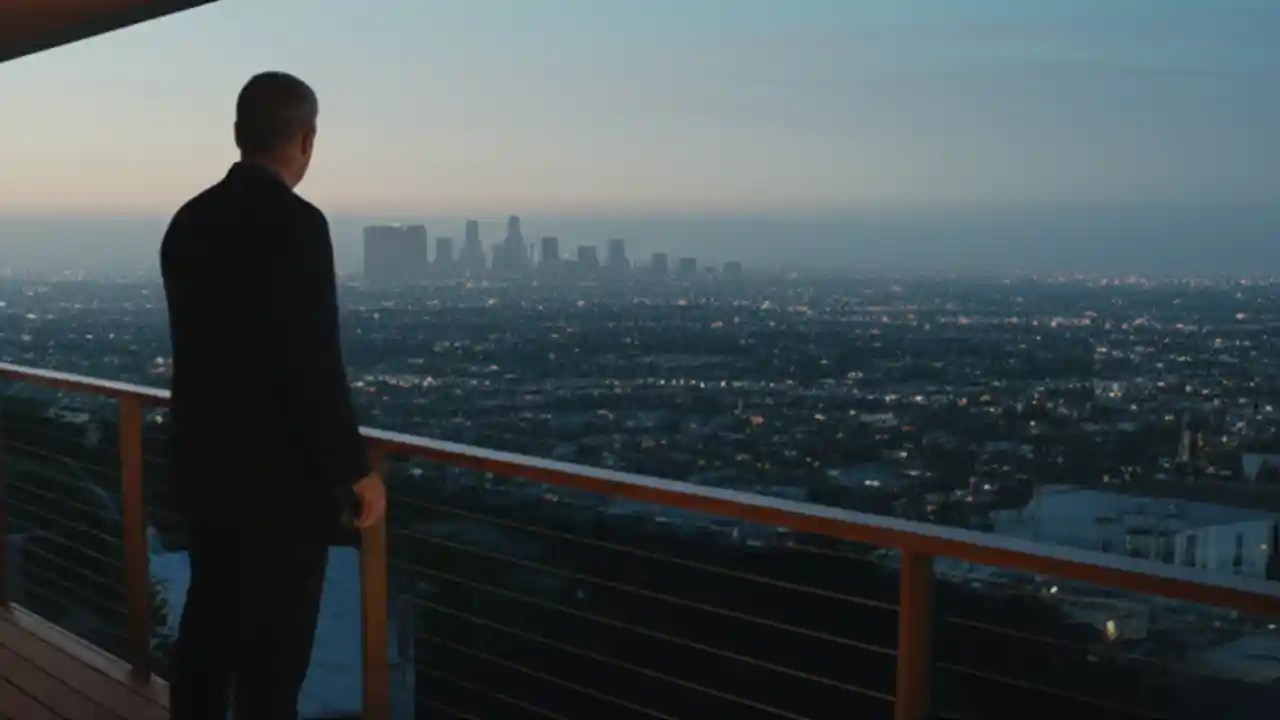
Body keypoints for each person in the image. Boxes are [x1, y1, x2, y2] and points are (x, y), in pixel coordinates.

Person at [160, 71, 386, 719]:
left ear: (238, 134)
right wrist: (354, 469)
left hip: (205, 471)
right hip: (281, 487)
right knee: (274, 662)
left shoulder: (189, 222)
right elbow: (310, 361)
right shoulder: (297, 224)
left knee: (206, 637)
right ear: (306, 140)